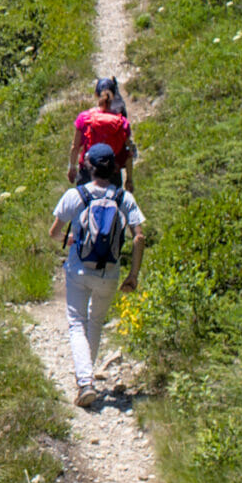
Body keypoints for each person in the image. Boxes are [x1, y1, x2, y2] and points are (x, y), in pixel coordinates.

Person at [49, 142, 146, 407]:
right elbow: (139, 238)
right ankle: (86, 379)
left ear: (88, 165)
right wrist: (133, 275)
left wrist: (70, 240)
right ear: (115, 168)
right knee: (95, 322)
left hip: (79, 269)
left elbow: (54, 233)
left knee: (76, 323)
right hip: (110, 273)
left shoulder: (76, 195)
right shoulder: (124, 199)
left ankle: (85, 382)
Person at [70, 74, 136, 187]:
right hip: (112, 173)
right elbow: (128, 152)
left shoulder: (84, 118)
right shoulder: (121, 122)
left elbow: (75, 147)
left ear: (96, 95)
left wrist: (71, 167)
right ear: (114, 96)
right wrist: (129, 179)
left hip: (88, 171)